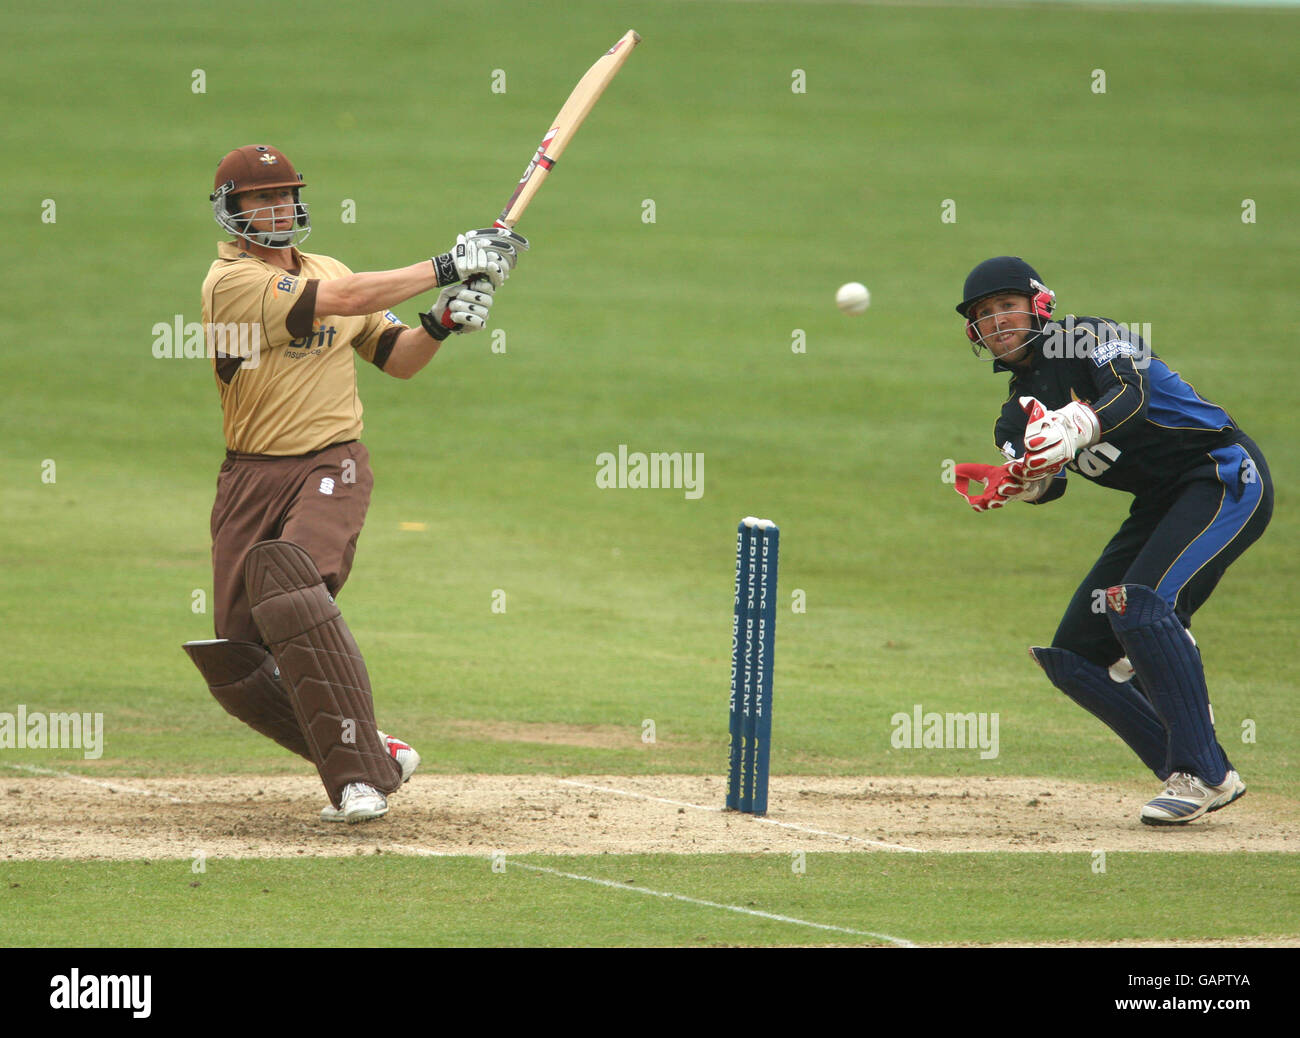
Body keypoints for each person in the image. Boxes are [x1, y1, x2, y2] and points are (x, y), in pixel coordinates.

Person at [181, 144, 528, 823]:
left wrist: (443, 322)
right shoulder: (231, 284)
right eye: (261, 199)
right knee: (237, 663)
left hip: (329, 464)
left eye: (286, 195)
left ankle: (353, 781)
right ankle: (369, 749)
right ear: (232, 211)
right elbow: (339, 299)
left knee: (288, 584)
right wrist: (448, 267)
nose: (278, 209)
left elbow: (398, 359)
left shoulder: (330, 268)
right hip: (249, 476)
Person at [951, 256, 1272, 825]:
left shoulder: (1087, 335)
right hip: (1159, 503)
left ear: (1038, 305)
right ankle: (1195, 766)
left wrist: (1076, 425)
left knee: (1142, 604)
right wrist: (1022, 481)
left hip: (1221, 473)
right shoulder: (1013, 415)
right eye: (984, 314)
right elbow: (1050, 487)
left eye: (1006, 306)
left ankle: (1202, 772)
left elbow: (1130, 395)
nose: (997, 321)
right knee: (1075, 654)